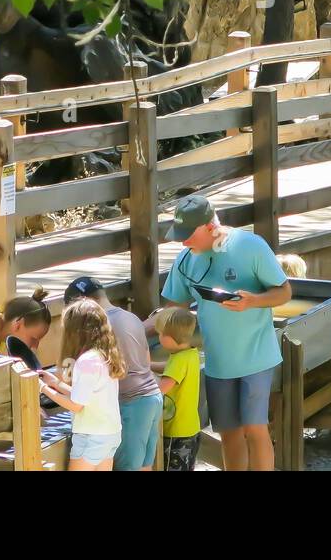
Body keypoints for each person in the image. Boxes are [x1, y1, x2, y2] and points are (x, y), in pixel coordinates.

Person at [161, 194, 291, 472]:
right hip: (219, 361)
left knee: (255, 428)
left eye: (188, 235)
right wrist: (134, 326)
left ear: (210, 227)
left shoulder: (251, 246)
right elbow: (174, 309)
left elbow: (284, 292)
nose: (183, 242)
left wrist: (253, 301)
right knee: (229, 432)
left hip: (256, 357)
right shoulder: (185, 260)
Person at [63, 276, 162, 472]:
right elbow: (146, 361)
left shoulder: (101, 326)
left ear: (82, 304)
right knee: (144, 466)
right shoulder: (131, 317)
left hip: (130, 405)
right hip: (152, 398)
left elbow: (91, 374)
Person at [38, 299, 125, 471]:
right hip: (110, 433)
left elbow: (76, 405)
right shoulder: (103, 355)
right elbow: (85, 397)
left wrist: (42, 388)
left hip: (91, 435)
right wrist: (55, 383)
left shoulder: (85, 362)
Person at [154, 307, 202, 472]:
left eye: (161, 334)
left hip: (176, 432)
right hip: (191, 429)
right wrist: (148, 366)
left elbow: (161, 389)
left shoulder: (178, 361)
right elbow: (169, 368)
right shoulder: (190, 354)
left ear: (171, 337)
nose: (158, 337)